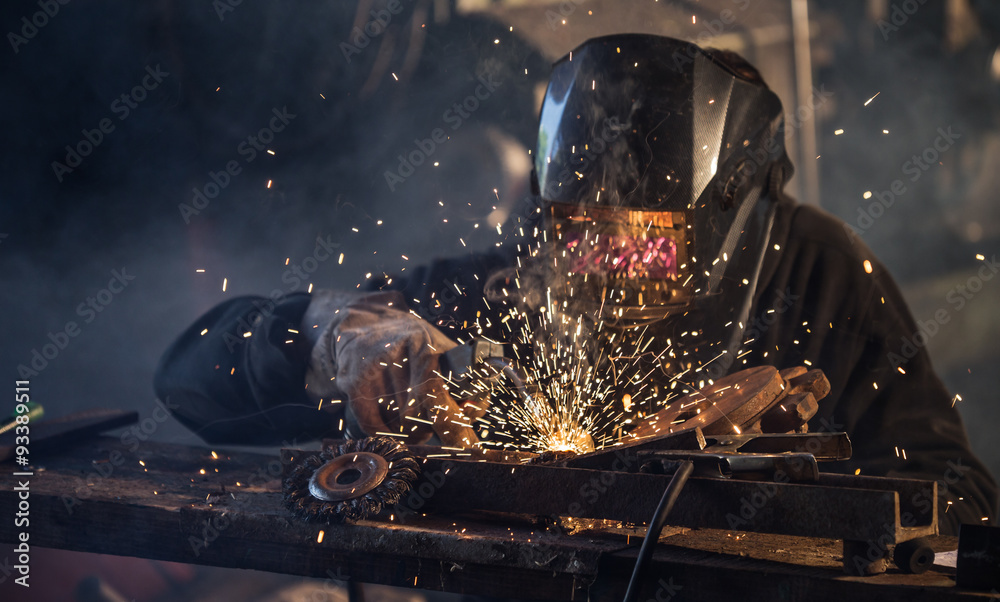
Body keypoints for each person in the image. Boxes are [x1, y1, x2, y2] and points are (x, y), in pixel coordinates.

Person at [155, 34, 997, 533]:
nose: (612, 265)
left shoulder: (817, 270)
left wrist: (791, 490)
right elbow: (190, 382)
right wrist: (330, 334)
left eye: (649, 244)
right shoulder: (506, 287)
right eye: (584, 234)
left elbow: (963, 499)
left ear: (729, 219)